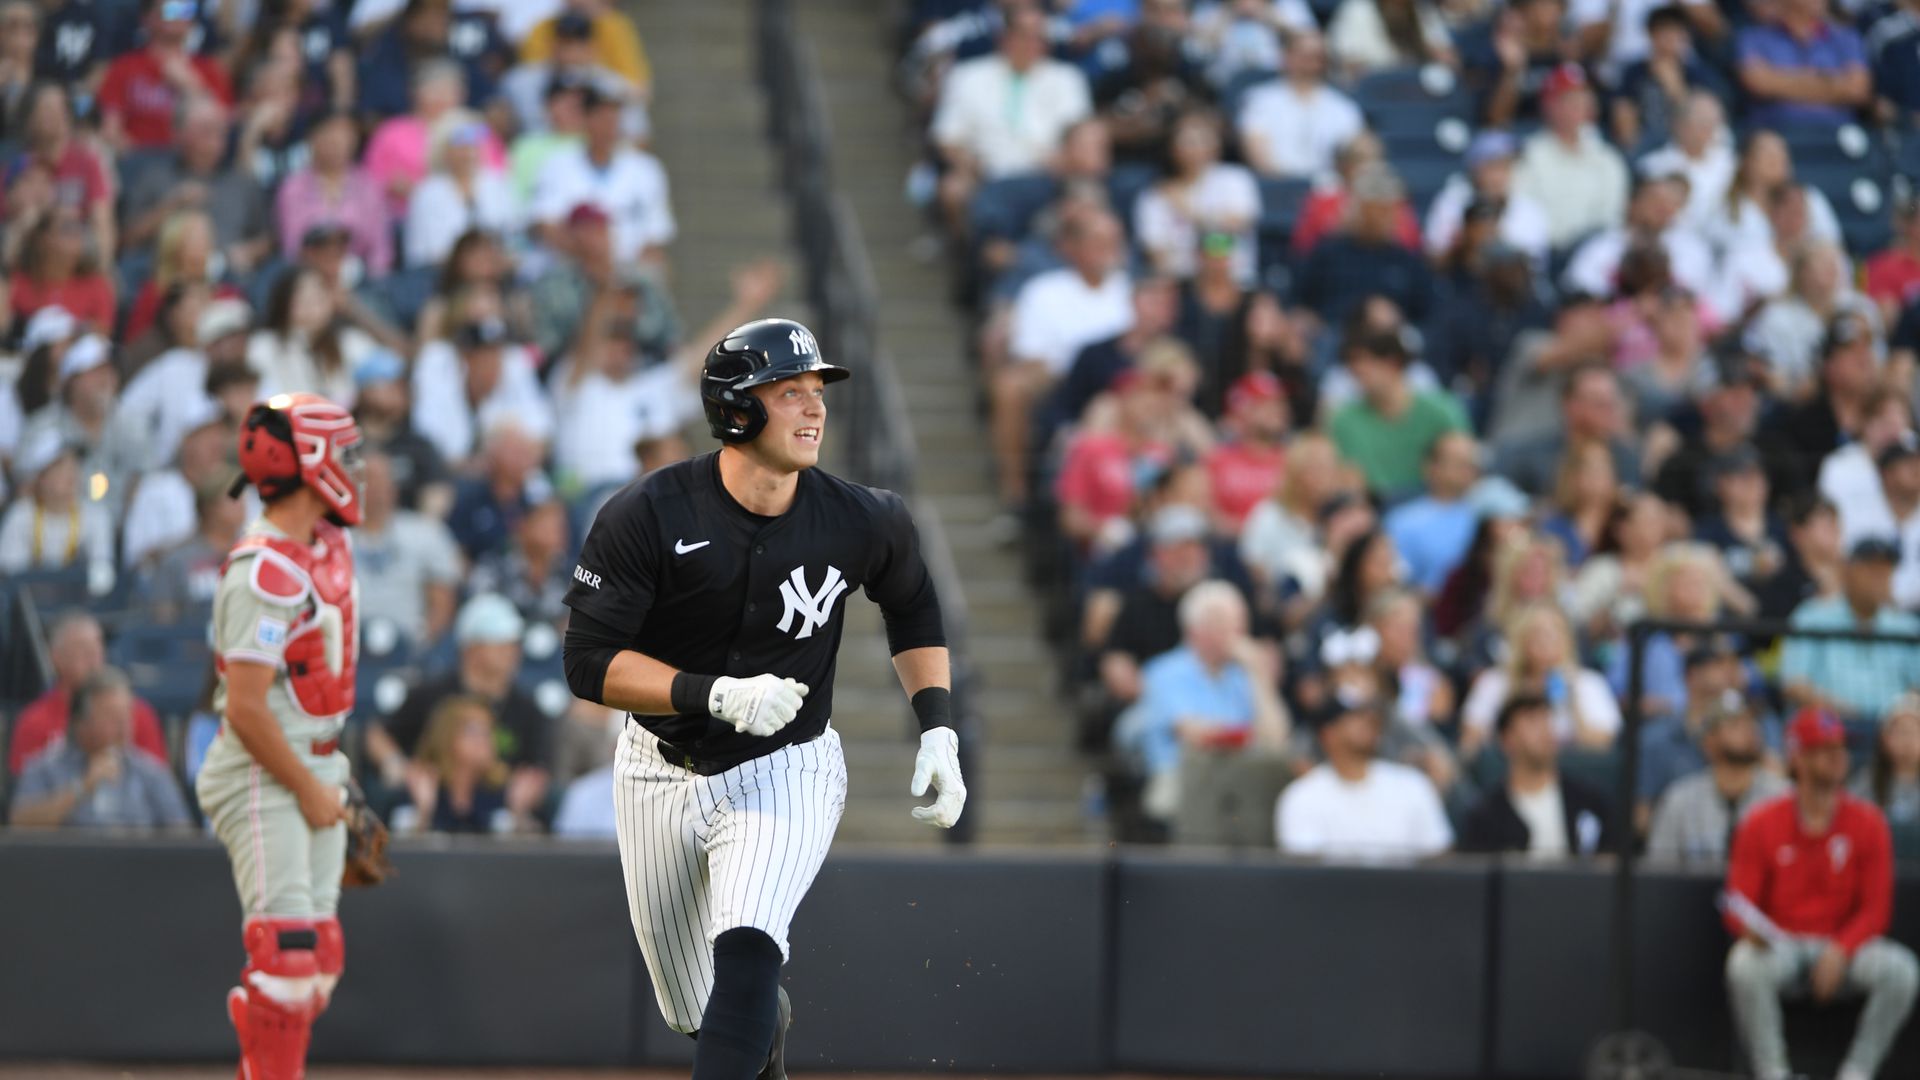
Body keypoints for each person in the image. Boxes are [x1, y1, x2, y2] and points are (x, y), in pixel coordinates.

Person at [561, 317, 965, 1078]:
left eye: (818, 392)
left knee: (748, 946)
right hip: (657, 763)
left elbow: (913, 605)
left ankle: (749, 1010)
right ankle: (760, 1023)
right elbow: (587, 663)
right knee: (694, 1008)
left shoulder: (863, 517)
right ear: (737, 409)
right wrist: (712, 694)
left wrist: (938, 728)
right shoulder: (646, 513)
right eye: (790, 393)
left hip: (786, 766)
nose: (815, 409)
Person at [195, 393, 364, 1080]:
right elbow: (245, 708)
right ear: (314, 462)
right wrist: (309, 787)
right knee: (288, 962)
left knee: (317, 963)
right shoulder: (262, 569)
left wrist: (334, 779)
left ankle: (259, 1051)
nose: (356, 465)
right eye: (346, 453)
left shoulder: (326, 543)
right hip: (264, 774)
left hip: (316, 765)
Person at [1724, 707, 1920, 1080]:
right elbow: (1738, 903)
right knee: (1743, 964)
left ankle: (1856, 1073)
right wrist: (1752, 930)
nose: (1837, 758)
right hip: (1782, 945)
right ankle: (1773, 1073)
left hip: (1845, 946)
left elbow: (1877, 911)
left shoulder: (1868, 821)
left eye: (1840, 748)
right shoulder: (1762, 821)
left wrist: (1841, 949)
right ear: (1798, 757)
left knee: (1902, 970)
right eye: (1823, 749)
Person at [1116, 580, 1289, 829]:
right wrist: (1250, 737)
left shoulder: (1242, 678)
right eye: (1224, 621)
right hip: (1183, 778)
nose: (1238, 631)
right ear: (1196, 628)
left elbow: (1277, 740)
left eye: (1239, 621)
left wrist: (1259, 675)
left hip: (1242, 775)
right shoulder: (1164, 671)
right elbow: (1196, 734)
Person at [928, 6, 1091, 230]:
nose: (1034, 43)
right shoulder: (967, 75)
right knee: (953, 189)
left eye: (1040, 36)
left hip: (1049, 174)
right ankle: (971, 256)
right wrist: (969, 166)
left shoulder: (1067, 78)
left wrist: (1062, 163)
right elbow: (947, 136)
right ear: (1004, 37)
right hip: (987, 172)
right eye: (1026, 35)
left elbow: (1080, 133)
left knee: (1087, 195)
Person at [1275, 682, 1453, 858]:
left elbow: (1437, 860)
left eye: (1371, 716)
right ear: (1327, 733)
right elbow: (1305, 874)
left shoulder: (1413, 784)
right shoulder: (1302, 796)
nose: (1368, 722)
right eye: (1355, 717)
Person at [9, 667, 191, 829]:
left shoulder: (150, 772)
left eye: (126, 715)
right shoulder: (45, 768)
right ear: (81, 723)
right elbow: (19, 822)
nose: (123, 726)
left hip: (135, 865)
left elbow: (183, 836)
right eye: (111, 717)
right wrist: (82, 787)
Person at [1781, 538, 1920, 732]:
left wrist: (1902, 716)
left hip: (1893, 733)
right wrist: (1844, 713)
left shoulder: (1905, 626)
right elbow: (1794, 685)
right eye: (1871, 569)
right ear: (1848, 571)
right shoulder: (1813, 616)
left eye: (1886, 570)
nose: (1880, 577)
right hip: (1830, 728)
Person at [8, 612, 168, 776]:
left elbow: (157, 781)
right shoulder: (34, 721)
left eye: (98, 649)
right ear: (56, 657)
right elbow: (25, 792)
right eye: (82, 650)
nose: (93, 659)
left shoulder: (137, 713)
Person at [1458, 694, 1616, 857]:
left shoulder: (1589, 801)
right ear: (1506, 740)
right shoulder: (1486, 815)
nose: (1544, 729)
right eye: (1532, 720)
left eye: (1547, 719)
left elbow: (1611, 860)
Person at [1327, 326, 1468, 502]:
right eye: (1354, 373)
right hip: (1376, 508)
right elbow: (1348, 481)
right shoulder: (1344, 420)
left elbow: (1465, 465)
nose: (1358, 379)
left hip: (1437, 502)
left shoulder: (1441, 410)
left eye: (1365, 370)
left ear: (1392, 364)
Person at [1647, 691, 1788, 864]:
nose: (1749, 729)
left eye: (1751, 721)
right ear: (1709, 741)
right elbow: (1658, 872)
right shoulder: (1680, 799)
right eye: (1735, 723)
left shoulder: (1782, 795)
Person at [351, 449, 462, 650]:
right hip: (347, 646)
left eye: (381, 480)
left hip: (408, 646)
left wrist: (423, 648)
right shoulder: (332, 535)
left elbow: (442, 600)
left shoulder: (426, 532)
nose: (374, 488)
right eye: (366, 479)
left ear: (394, 487)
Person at [1512, 64, 1631, 250]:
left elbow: (1610, 218)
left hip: (1591, 254)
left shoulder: (1607, 158)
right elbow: (1524, 211)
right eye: (1568, 98)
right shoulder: (1530, 153)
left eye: (1583, 97)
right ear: (1548, 105)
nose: (1579, 104)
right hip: (1545, 251)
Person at [97, 0, 234, 152]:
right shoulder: (124, 67)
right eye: (170, 9)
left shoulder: (208, 69)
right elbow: (110, 128)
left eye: (185, 10)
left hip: (191, 161)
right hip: (137, 160)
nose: (178, 15)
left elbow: (221, 128)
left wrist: (191, 86)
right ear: (147, 17)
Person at [392, 694, 529, 835]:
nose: (486, 740)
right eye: (475, 730)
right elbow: (399, 849)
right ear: (447, 736)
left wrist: (519, 813)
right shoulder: (420, 786)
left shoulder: (501, 792)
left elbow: (529, 851)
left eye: (489, 731)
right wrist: (424, 811)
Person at [1236, 30, 1363, 180]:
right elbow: (1259, 156)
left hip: (1331, 189)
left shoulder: (1343, 106)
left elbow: (1354, 155)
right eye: (1304, 56)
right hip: (1277, 187)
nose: (1310, 63)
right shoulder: (1259, 99)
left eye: (1317, 57)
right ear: (1286, 56)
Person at [1735, 0, 1870, 130]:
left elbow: (1857, 89)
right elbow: (1758, 83)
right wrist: (1830, 82)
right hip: (1778, 132)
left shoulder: (1845, 37)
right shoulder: (1754, 37)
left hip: (1837, 135)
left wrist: (1779, 79)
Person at [1383, 431, 1483, 592]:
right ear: (1431, 467)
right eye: (1459, 463)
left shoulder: (1489, 512)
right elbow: (1394, 582)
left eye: (1471, 464)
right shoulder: (1403, 522)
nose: (1469, 470)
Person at [1854, 693, 1920, 856]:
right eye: (1900, 732)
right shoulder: (1866, 780)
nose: (1907, 741)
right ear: (1884, 739)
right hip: (1879, 857)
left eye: (1914, 732)